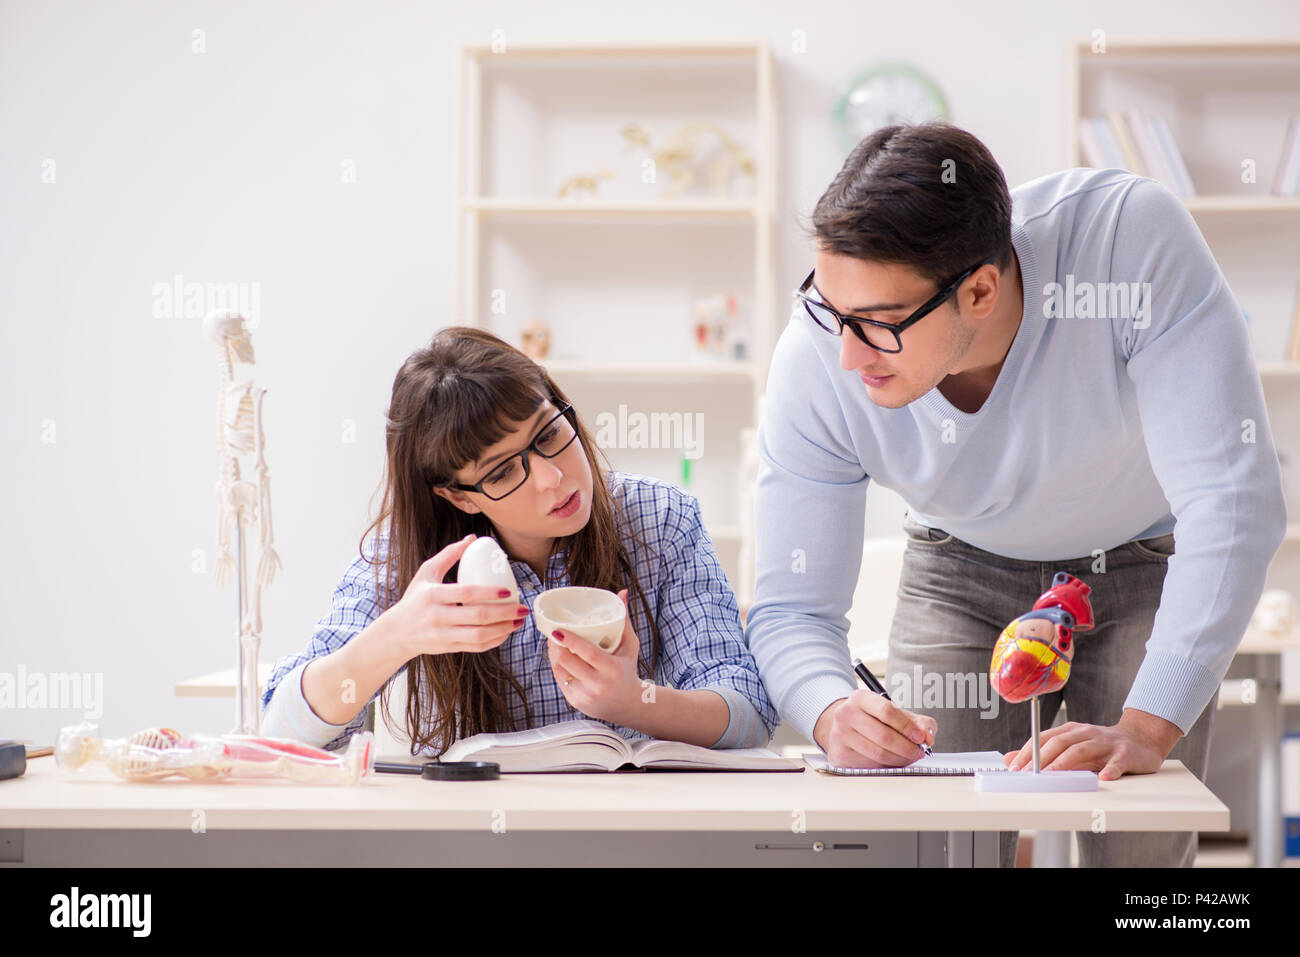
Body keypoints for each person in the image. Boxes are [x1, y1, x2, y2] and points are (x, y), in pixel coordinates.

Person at [745, 122, 1287, 867]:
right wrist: (831, 707)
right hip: (955, 572)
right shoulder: (819, 359)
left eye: (877, 323)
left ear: (979, 290)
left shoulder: (1129, 242)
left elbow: (1235, 499)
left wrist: (1150, 722)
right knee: (940, 842)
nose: (846, 354)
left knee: (1142, 844)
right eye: (831, 310)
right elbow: (790, 608)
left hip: (1137, 567)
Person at [261, 326, 775, 756]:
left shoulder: (658, 520)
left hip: (629, 830)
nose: (552, 478)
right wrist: (397, 637)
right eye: (505, 471)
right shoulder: (413, 562)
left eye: (549, 434)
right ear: (460, 498)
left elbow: (749, 716)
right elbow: (277, 730)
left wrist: (631, 700)